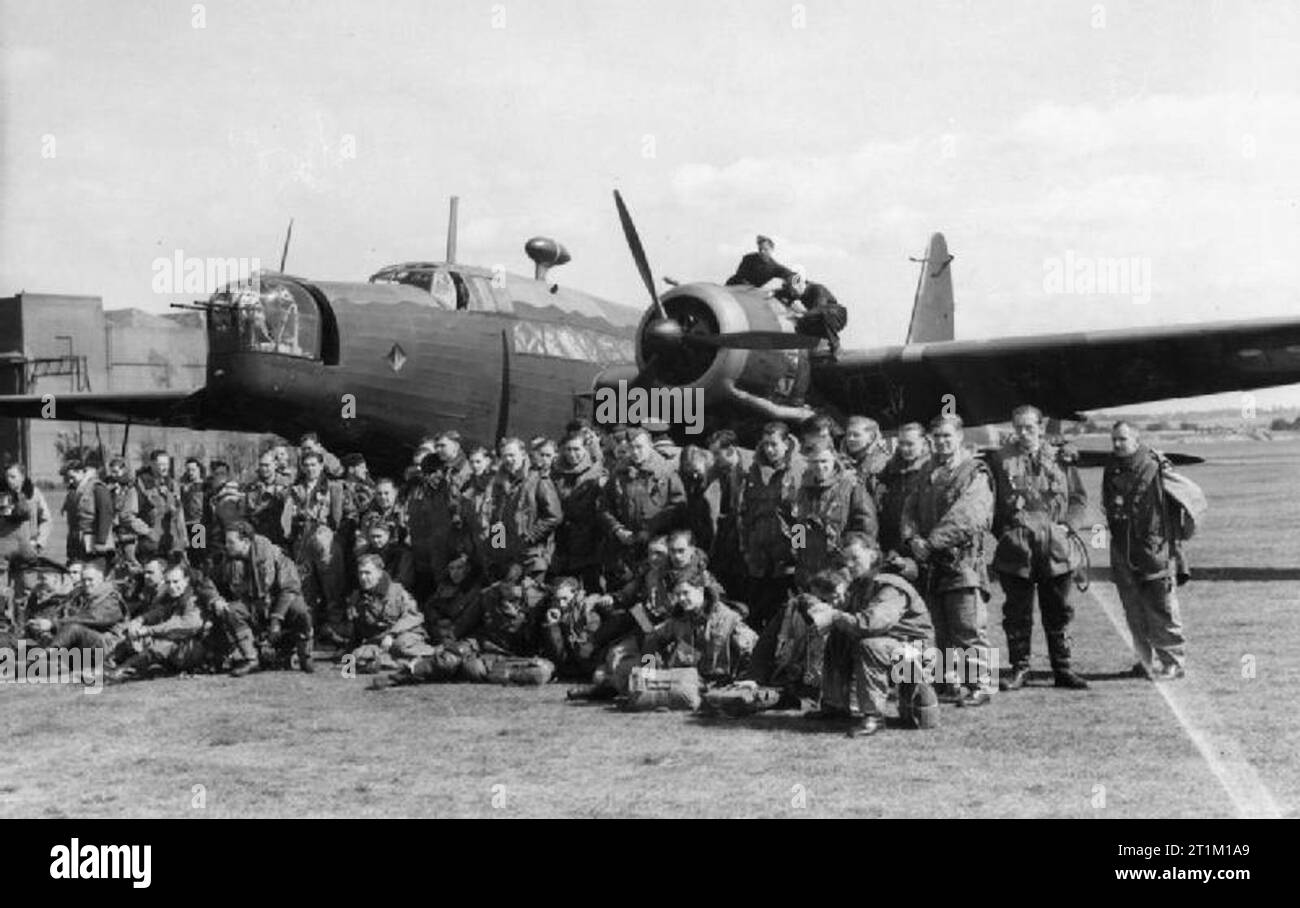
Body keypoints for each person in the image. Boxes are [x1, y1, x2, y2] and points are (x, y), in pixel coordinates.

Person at [986, 405, 1090, 691]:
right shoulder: (999, 460)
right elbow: (991, 504)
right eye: (1018, 427)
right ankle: (1020, 669)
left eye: (1029, 427)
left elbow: (1079, 498)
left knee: (1058, 610)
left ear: (1041, 428)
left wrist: (1069, 526)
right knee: (1017, 614)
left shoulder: (1061, 457)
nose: (1023, 433)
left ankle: (1063, 668)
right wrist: (1005, 535)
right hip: (1016, 549)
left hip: (1056, 547)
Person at [902, 414, 996, 707]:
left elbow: (968, 516)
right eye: (936, 437)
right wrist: (912, 539)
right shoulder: (925, 472)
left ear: (959, 437)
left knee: (967, 628)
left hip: (962, 563)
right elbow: (908, 510)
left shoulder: (975, 472)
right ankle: (947, 684)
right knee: (935, 628)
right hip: (930, 565)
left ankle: (980, 685)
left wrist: (929, 543)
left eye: (947, 436)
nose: (941, 442)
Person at [806, 534, 933, 737]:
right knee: (839, 635)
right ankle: (835, 704)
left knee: (870, 645)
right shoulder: (861, 584)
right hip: (893, 648)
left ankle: (873, 716)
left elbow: (871, 624)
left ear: (873, 554)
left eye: (855, 558)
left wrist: (835, 615)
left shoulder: (890, 584)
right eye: (846, 559)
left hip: (917, 654)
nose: (849, 564)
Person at [1103, 421, 1186, 680]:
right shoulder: (1112, 467)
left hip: (1153, 548)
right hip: (1123, 548)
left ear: (1136, 440)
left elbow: (1177, 507)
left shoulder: (1155, 466)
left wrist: (1173, 549)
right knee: (1133, 609)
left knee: (1161, 607)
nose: (1117, 444)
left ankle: (1173, 661)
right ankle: (1144, 660)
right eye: (1114, 439)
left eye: (1123, 439)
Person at [196, 521, 314, 676]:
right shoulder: (226, 559)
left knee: (300, 609)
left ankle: (305, 656)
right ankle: (251, 659)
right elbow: (204, 578)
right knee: (231, 610)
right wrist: (215, 599)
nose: (226, 546)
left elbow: (290, 588)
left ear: (245, 542)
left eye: (231, 542)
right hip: (252, 608)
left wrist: (276, 619)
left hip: (278, 606)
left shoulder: (274, 554)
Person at [599, 427, 686, 587]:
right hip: (624, 547)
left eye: (640, 447)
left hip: (656, 546)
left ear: (650, 445)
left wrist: (651, 529)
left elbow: (678, 506)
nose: (635, 452)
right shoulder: (619, 472)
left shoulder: (666, 471)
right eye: (631, 447)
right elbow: (604, 506)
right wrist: (617, 529)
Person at [738, 422, 804, 627]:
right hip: (758, 557)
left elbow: (802, 517)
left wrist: (799, 550)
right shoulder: (753, 471)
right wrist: (746, 547)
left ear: (786, 443)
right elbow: (744, 513)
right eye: (765, 444)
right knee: (756, 612)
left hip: (787, 557)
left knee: (785, 615)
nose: (769, 449)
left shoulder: (797, 471)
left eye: (774, 444)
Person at [790, 439, 877, 589]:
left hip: (839, 567)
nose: (819, 467)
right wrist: (797, 554)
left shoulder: (851, 486)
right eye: (814, 462)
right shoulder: (803, 489)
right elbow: (798, 525)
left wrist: (852, 564)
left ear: (834, 459)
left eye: (824, 461)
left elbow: (866, 527)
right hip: (808, 567)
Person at [641, 575, 757, 685]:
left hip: (721, 685)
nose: (681, 599)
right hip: (685, 683)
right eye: (677, 594)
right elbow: (651, 638)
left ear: (700, 590)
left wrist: (746, 680)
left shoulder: (728, 619)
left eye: (685, 593)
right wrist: (648, 673)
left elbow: (752, 650)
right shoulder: (679, 619)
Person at [479, 437, 563, 583]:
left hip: (531, 556)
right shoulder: (498, 483)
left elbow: (554, 516)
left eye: (512, 455)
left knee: (529, 599)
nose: (508, 459)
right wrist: (496, 551)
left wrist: (530, 537)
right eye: (504, 456)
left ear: (523, 454)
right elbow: (497, 518)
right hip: (508, 556)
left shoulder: (538, 479)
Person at [288, 450, 348, 645]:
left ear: (321, 465)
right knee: (305, 589)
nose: (310, 469)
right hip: (302, 541)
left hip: (325, 539)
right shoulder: (296, 489)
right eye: (307, 465)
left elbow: (339, 518)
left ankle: (336, 630)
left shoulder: (334, 487)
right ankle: (307, 632)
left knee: (333, 587)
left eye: (314, 464)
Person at [111, 562, 206, 681]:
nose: (171, 586)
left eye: (176, 582)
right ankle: (111, 666)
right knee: (131, 638)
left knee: (161, 646)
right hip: (179, 647)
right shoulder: (172, 598)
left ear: (186, 580)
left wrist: (148, 631)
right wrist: (139, 620)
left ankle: (124, 670)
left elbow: (186, 625)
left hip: (196, 648)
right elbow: (157, 612)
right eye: (168, 582)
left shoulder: (193, 599)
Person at [406, 431, 472, 600]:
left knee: (460, 584)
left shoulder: (464, 472)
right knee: (441, 585)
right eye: (437, 446)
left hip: (456, 540)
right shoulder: (438, 475)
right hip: (438, 540)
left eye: (443, 445)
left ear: (456, 446)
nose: (439, 449)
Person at [345, 554, 430, 672]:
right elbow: (356, 631)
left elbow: (414, 616)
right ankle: (399, 663)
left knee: (400, 646)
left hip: (406, 635)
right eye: (360, 573)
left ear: (379, 573)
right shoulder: (357, 597)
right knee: (359, 656)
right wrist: (349, 655)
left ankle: (431, 656)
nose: (363, 578)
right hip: (379, 641)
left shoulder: (397, 591)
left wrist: (392, 634)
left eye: (367, 573)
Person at [550, 432, 607, 592]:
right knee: (561, 586)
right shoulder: (555, 472)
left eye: (576, 449)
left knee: (591, 586)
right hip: (561, 539)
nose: (572, 454)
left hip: (588, 539)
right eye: (568, 449)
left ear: (586, 449)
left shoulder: (596, 472)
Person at [0, 462, 51, 614]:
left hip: (27, 549)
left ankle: (22, 634)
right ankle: (4, 629)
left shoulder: (34, 494)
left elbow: (46, 519)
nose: (10, 480)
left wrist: (39, 542)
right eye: (7, 477)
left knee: (27, 591)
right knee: (2, 591)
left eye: (13, 476)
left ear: (22, 477)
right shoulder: (1, 494)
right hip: (3, 549)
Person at [875, 422, 930, 558]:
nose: (904, 449)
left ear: (923, 442)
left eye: (910, 444)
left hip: (919, 538)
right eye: (901, 443)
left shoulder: (931, 470)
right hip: (891, 537)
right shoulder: (890, 469)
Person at [775, 272, 848, 357]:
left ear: (800, 285)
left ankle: (836, 347)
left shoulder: (818, 289)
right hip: (819, 317)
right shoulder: (798, 291)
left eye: (793, 291)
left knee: (824, 314)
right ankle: (809, 350)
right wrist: (774, 294)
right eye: (791, 292)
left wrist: (803, 315)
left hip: (837, 316)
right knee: (801, 324)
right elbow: (783, 293)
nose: (792, 294)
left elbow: (820, 309)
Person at [61, 456, 115, 563]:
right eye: (68, 479)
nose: (70, 481)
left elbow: (105, 514)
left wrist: (101, 541)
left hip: (94, 542)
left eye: (72, 477)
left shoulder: (98, 488)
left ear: (82, 472)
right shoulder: (74, 492)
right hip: (77, 542)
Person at [135, 449, 186, 559]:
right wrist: (147, 532)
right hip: (153, 540)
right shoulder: (142, 483)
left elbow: (180, 514)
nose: (165, 467)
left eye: (167, 464)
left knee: (198, 551)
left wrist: (183, 541)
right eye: (161, 464)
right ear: (152, 464)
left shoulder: (174, 484)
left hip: (193, 528)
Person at [243, 452, 291, 547]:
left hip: (279, 534)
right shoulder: (251, 487)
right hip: (257, 533)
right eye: (261, 465)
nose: (264, 469)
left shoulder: (286, 485)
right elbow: (247, 511)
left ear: (275, 465)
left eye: (267, 465)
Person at [725, 235, 795, 288]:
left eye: (765, 249)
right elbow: (739, 275)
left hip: (750, 293)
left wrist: (800, 280)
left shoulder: (774, 268)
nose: (762, 252)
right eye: (760, 249)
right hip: (732, 287)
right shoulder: (748, 259)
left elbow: (789, 274)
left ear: (772, 249)